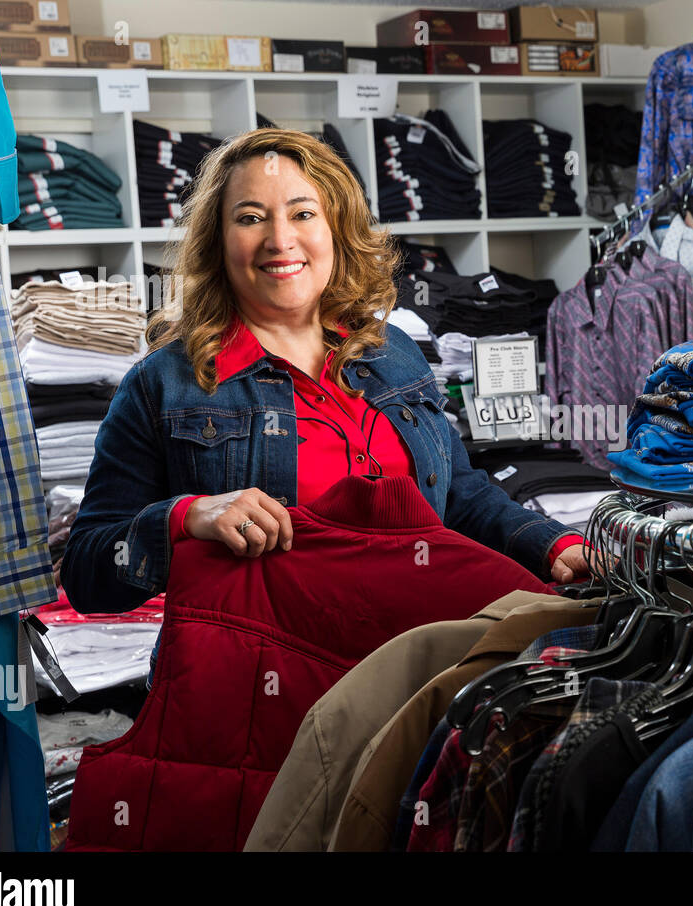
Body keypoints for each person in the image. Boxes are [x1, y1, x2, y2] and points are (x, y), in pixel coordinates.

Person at [62, 128, 593, 621]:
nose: (279, 239)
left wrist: (552, 543)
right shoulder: (166, 382)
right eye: (250, 218)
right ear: (218, 243)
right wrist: (188, 518)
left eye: (302, 213)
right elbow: (88, 574)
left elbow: (460, 494)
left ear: (336, 229)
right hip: (276, 673)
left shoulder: (392, 352)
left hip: (420, 656)